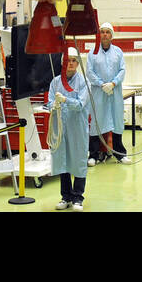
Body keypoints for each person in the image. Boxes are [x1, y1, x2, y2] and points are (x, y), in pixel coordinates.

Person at [49, 48, 90, 210]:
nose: (71, 63)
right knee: (63, 161)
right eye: (68, 60)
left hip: (77, 128)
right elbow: (49, 101)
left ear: (78, 64)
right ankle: (65, 197)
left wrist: (65, 100)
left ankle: (78, 197)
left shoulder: (83, 82)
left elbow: (80, 104)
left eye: (74, 60)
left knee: (78, 160)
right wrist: (53, 104)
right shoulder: (55, 82)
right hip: (60, 129)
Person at [86, 22, 130, 165]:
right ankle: (93, 155)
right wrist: (101, 84)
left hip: (114, 92)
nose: (105, 34)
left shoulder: (118, 52)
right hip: (99, 92)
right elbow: (89, 72)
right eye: (102, 32)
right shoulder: (92, 52)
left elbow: (122, 70)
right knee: (97, 123)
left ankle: (120, 154)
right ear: (99, 35)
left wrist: (113, 83)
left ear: (112, 36)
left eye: (107, 32)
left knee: (117, 121)